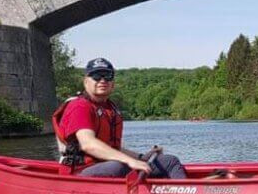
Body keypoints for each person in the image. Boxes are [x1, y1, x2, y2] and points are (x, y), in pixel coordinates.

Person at [52, 58, 187, 179]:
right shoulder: (79, 106)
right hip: (80, 171)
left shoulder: (110, 109)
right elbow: (88, 144)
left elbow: (113, 148)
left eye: (108, 76)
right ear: (86, 81)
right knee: (119, 166)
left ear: (113, 83)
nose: (102, 80)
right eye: (96, 76)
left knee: (169, 161)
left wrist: (141, 157)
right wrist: (129, 160)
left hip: (107, 165)